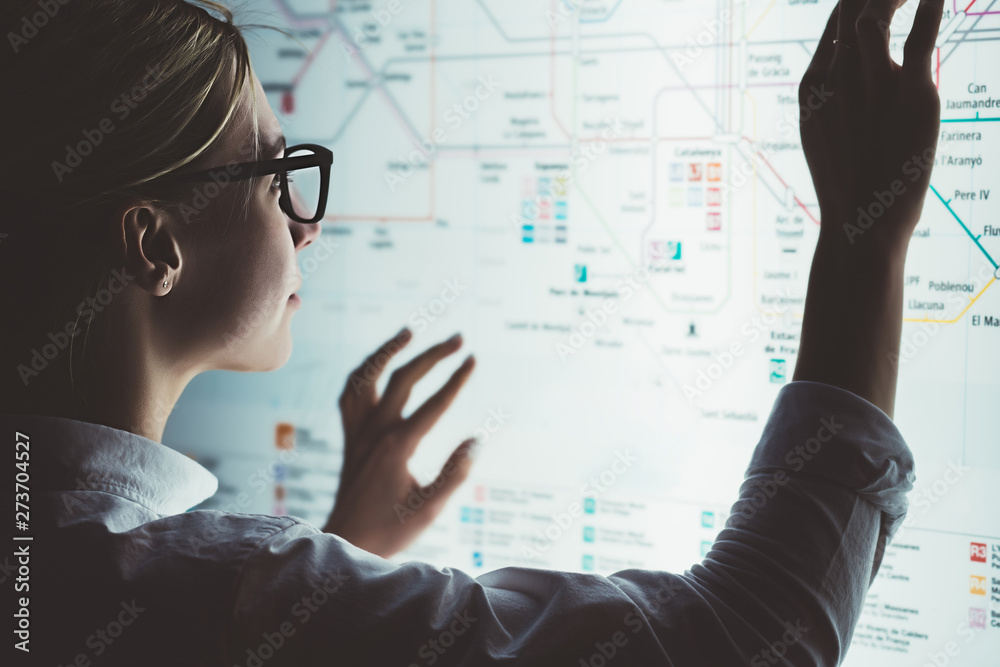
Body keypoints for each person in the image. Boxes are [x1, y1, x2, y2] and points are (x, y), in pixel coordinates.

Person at [0, 0, 943, 664]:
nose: (307, 219)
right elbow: (742, 641)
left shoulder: (64, 556)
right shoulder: (208, 592)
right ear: (153, 243)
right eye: (275, 171)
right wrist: (866, 236)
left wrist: (340, 549)